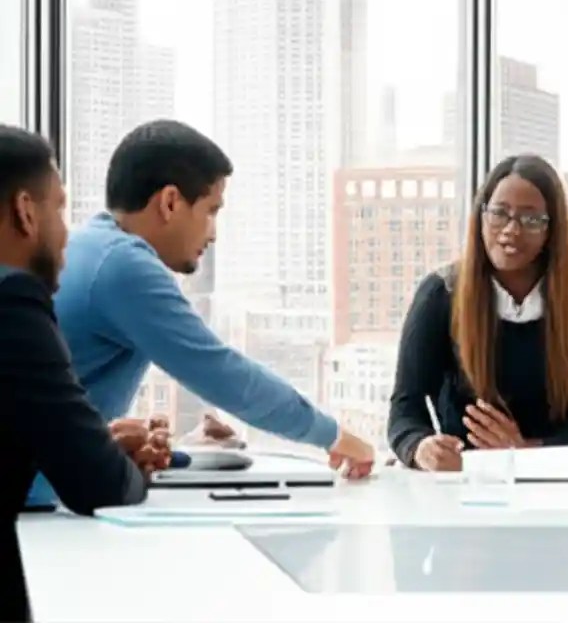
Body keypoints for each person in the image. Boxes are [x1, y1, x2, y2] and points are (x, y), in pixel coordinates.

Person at [26, 120, 374, 509]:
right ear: (170, 202)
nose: (213, 233)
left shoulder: (93, 248)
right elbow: (224, 375)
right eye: (211, 210)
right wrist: (334, 436)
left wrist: (181, 451)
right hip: (35, 501)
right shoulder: (123, 265)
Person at [0, 126, 160, 622]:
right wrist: (125, 464)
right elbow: (102, 489)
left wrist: (93, 445)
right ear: (26, 212)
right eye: (60, 208)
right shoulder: (14, 309)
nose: (67, 232)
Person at [388, 154, 568, 470]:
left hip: (555, 483)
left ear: (551, 229)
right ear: (481, 216)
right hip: (462, 482)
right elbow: (405, 407)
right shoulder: (441, 293)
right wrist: (420, 447)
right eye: (499, 214)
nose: (510, 231)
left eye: (530, 220)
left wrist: (526, 453)